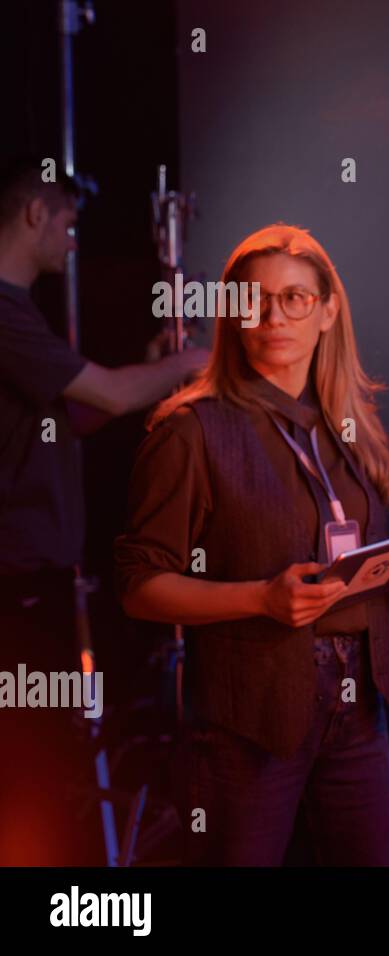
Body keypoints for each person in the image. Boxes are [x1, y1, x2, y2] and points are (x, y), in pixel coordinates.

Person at [114, 224, 389, 866]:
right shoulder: (191, 430)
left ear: (327, 311)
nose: (273, 316)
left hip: (358, 704)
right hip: (247, 717)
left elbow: (344, 555)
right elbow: (137, 586)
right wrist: (261, 597)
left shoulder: (348, 423)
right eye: (254, 300)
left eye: (294, 298)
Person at [0, 152, 207, 864]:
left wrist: (151, 372)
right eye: (67, 222)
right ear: (35, 213)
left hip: (38, 575)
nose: (71, 238)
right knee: (32, 752)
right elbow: (111, 395)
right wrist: (186, 365)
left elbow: (78, 414)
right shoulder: (2, 311)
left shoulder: (20, 314)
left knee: (49, 742)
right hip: (14, 577)